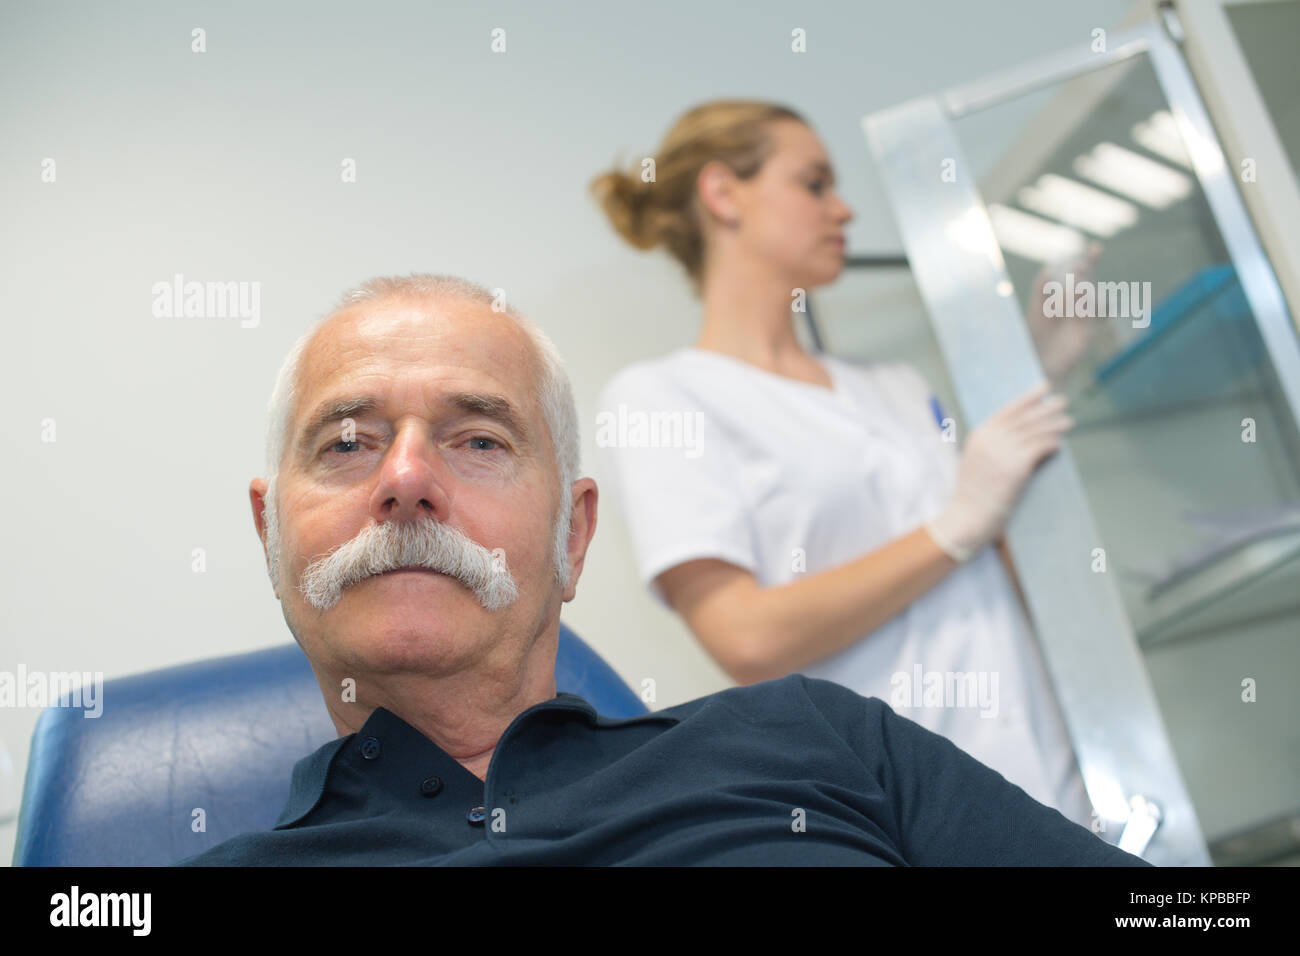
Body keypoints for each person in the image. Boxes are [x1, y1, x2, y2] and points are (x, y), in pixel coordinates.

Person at [171, 272, 1147, 866]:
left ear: (574, 538)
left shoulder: (815, 742)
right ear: (270, 532)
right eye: (347, 441)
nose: (409, 477)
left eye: (476, 439)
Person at [589, 100, 1097, 828]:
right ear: (722, 194)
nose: (845, 209)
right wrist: (955, 527)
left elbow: (997, 564)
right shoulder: (665, 395)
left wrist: (1034, 378)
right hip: (908, 813)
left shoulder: (894, 386)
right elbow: (747, 639)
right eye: (815, 184)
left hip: (1057, 778)